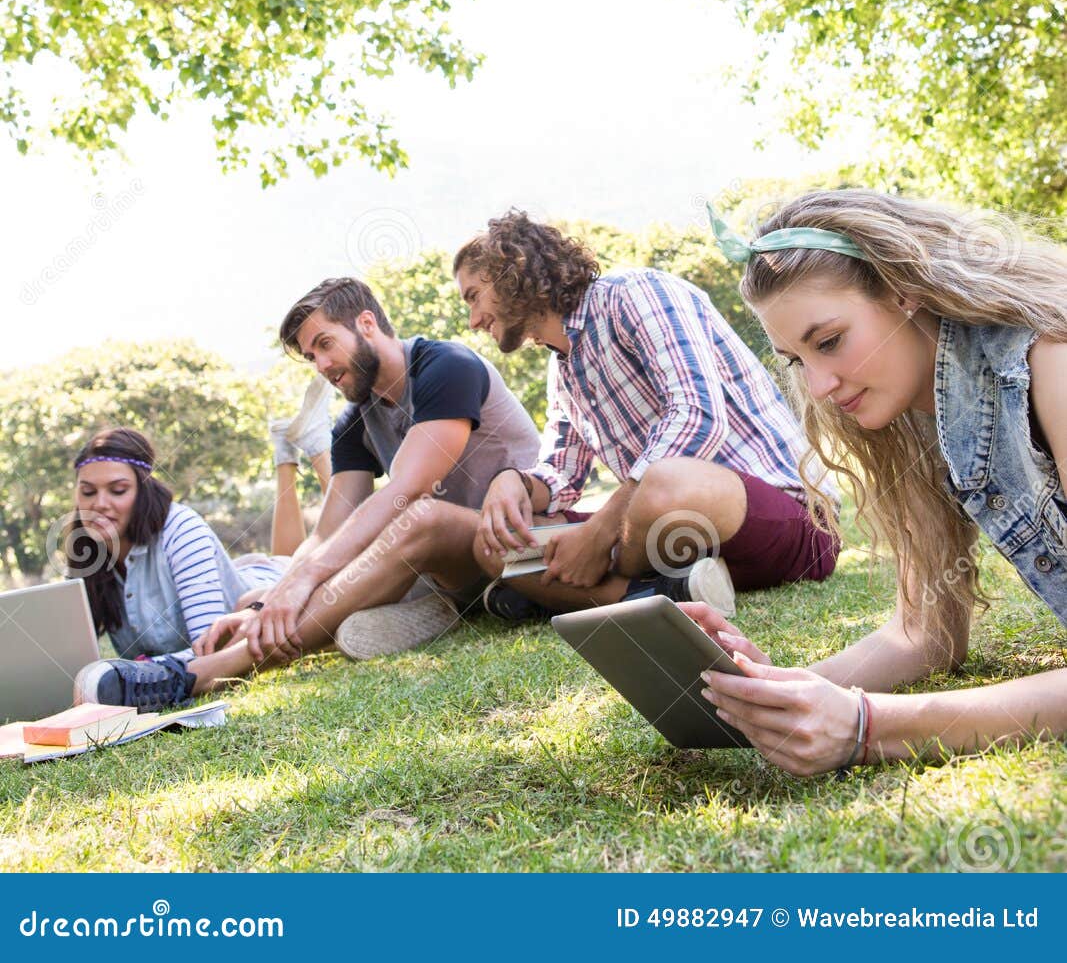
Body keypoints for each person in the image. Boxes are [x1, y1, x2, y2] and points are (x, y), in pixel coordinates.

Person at [688, 190, 1067, 774]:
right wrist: (773, 692)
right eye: (796, 360)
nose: (817, 386)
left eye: (829, 342)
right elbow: (924, 635)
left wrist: (866, 728)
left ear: (903, 290)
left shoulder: (1051, 360)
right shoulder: (917, 423)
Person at [74, 276, 539, 711]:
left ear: (367, 323)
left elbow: (407, 490)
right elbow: (326, 534)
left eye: (324, 344)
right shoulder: (353, 421)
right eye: (310, 355)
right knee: (249, 601)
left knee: (419, 516)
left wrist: (300, 584)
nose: (321, 366)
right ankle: (424, 613)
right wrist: (269, 601)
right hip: (443, 570)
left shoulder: (445, 366)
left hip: (510, 542)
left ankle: (204, 673)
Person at [453, 211, 839, 623]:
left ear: (512, 270)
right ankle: (670, 591)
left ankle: (577, 589)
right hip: (673, 542)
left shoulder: (636, 293)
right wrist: (512, 483)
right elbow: (561, 476)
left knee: (665, 482)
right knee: (496, 545)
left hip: (792, 521)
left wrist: (601, 533)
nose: (474, 320)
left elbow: (698, 415)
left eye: (474, 295)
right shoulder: (563, 370)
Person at [65, 421, 326, 660]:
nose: (99, 504)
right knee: (283, 557)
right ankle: (285, 451)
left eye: (118, 490)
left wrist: (132, 674)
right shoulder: (86, 552)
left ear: (144, 490)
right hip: (238, 577)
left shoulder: (181, 527)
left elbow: (208, 649)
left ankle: (309, 446)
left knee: (310, 552)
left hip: (274, 586)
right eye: (87, 492)